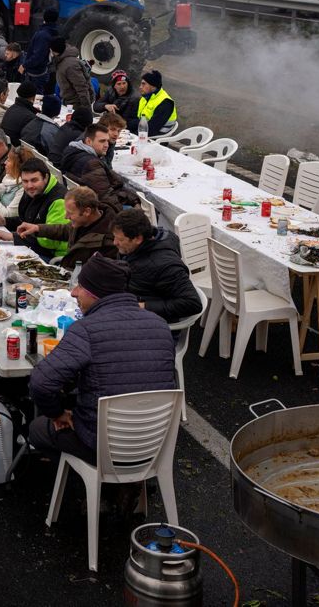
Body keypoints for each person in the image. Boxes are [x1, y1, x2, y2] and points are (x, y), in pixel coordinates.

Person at [27, 255, 176, 464]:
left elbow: (41, 383)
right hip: (154, 441)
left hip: (102, 446)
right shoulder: (160, 324)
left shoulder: (86, 329)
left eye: (80, 286)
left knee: (37, 429)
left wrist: (58, 413)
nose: (73, 292)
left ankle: (96, 483)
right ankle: (127, 484)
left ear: (95, 293)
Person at [112, 209, 202, 326]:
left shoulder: (166, 267)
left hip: (151, 323)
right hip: (126, 304)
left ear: (138, 239)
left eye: (120, 239)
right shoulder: (135, 247)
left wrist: (143, 306)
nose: (114, 243)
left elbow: (192, 303)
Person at [0, 158, 70, 259]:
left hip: (52, 256)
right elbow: (28, 220)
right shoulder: (34, 191)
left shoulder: (59, 200)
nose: (29, 185)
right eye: (25, 181)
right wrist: (5, 221)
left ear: (46, 177)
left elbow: (49, 242)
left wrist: (13, 237)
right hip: (35, 247)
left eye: (34, 180)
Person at [17, 186, 116, 268]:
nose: (66, 217)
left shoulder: (109, 240)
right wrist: (37, 228)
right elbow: (66, 230)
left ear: (87, 211)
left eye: (70, 213)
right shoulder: (83, 222)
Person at [59, 123, 137, 212]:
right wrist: (130, 209)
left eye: (107, 141)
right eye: (102, 141)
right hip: (103, 211)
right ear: (88, 141)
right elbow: (106, 198)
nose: (106, 145)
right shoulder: (91, 164)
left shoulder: (73, 151)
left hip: (85, 203)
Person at [51, 35, 95, 129]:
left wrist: (86, 111)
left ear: (55, 51)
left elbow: (82, 87)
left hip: (77, 105)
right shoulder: (61, 60)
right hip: (69, 102)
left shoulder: (70, 65)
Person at [21, 10, 57, 91]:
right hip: (42, 71)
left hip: (36, 74)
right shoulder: (52, 32)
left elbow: (38, 56)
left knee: (34, 98)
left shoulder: (43, 35)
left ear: (44, 18)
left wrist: (24, 65)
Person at [135, 70, 177, 136]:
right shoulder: (145, 97)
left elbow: (152, 128)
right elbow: (136, 118)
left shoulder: (166, 102)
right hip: (142, 132)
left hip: (158, 138)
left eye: (143, 84)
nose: (140, 87)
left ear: (153, 85)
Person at [0, 81, 39, 147]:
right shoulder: (30, 117)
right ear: (33, 97)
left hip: (5, 143)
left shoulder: (11, 108)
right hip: (15, 149)